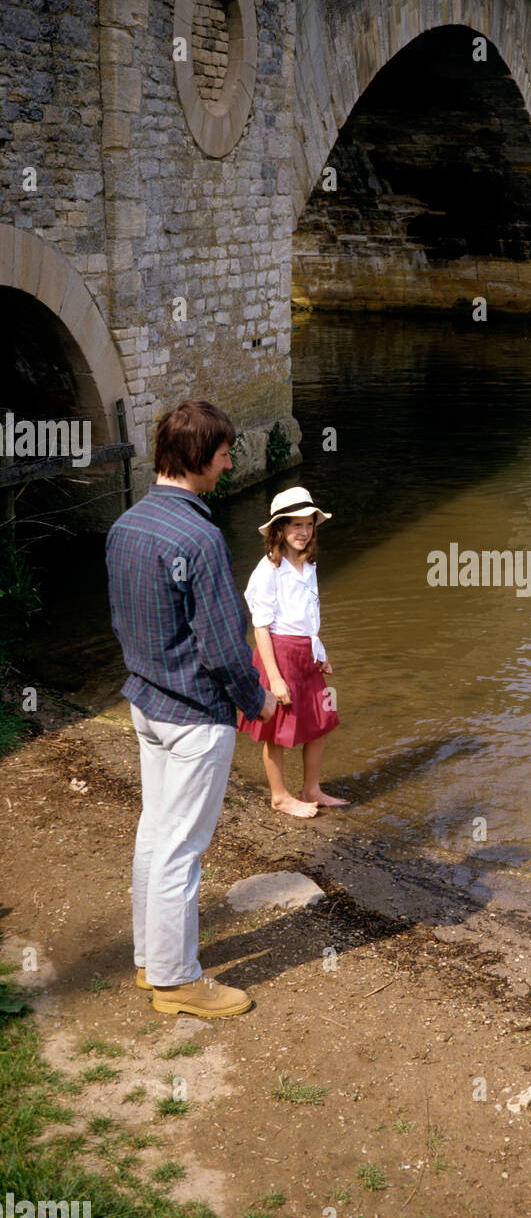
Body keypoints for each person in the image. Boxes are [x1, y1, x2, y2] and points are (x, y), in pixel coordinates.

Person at [105, 400, 277, 1019]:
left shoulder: (126, 525)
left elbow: (124, 619)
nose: (230, 463)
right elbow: (226, 645)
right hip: (194, 717)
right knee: (182, 847)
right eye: (224, 453)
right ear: (198, 458)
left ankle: (151, 961)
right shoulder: (199, 537)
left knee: (155, 833)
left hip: (145, 702)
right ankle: (177, 982)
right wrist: (256, 702)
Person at [238, 487, 347, 817]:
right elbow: (261, 627)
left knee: (323, 722)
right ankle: (280, 795)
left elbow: (309, 614)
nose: (303, 532)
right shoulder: (267, 571)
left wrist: (320, 650)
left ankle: (311, 788)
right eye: (295, 525)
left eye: (309, 524)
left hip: (305, 654)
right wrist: (274, 679)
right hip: (279, 655)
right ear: (280, 529)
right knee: (277, 731)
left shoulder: (308, 565)